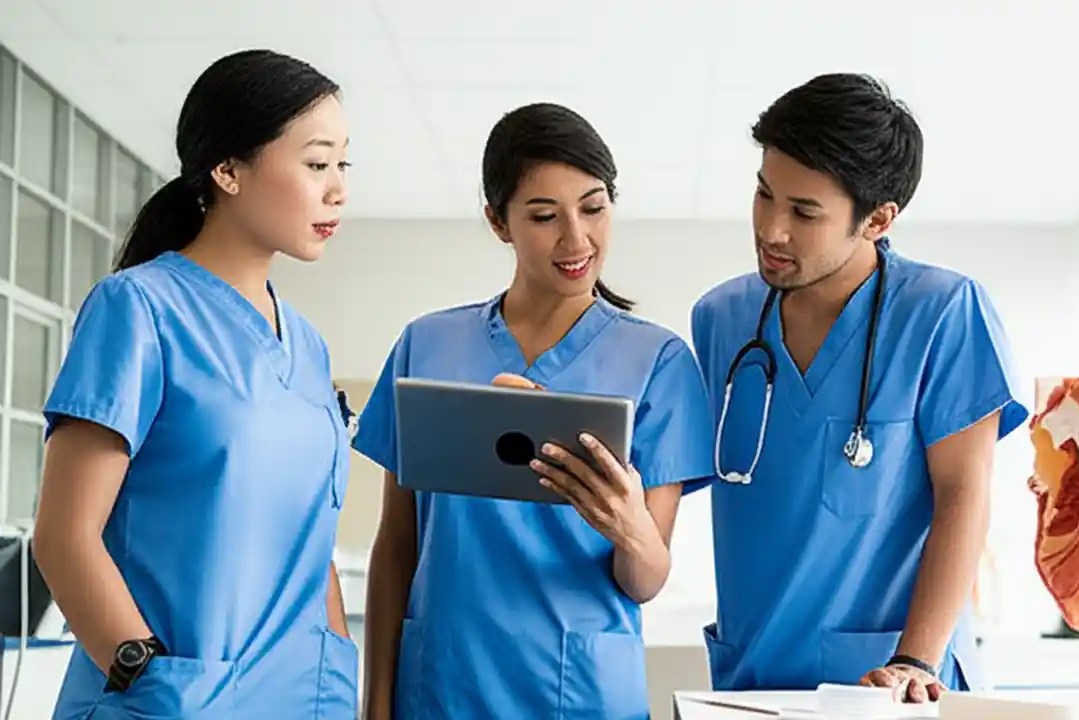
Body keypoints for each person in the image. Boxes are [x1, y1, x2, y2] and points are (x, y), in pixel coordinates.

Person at [353, 102, 715, 719]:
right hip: (442, 685)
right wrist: (377, 704)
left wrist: (625, 521)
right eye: (545, 216)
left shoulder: (658, 361)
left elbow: (645, 579)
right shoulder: (428, 346)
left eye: (593, 208)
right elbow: (397, 545)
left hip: (577, 692)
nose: (576, 239)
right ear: (499, 222)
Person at [32, 49, 357, 718]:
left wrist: (336, 677)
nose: (338, 190)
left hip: (300, 698)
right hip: (172, 700)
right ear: (228, 171)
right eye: (316, 164)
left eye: (343, 166)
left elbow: (310, 545)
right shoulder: (138, 308)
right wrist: (151, 681)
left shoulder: (310, 347)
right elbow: (64, 536)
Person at [691, 73, 1029, 703]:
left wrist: (916, 659)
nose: (772, 229)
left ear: (877, 219)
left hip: (888, 685)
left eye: (804, 212)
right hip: (753, 677)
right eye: (764, 194)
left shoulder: (942, 313)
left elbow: (965, 494)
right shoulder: (720, 319)